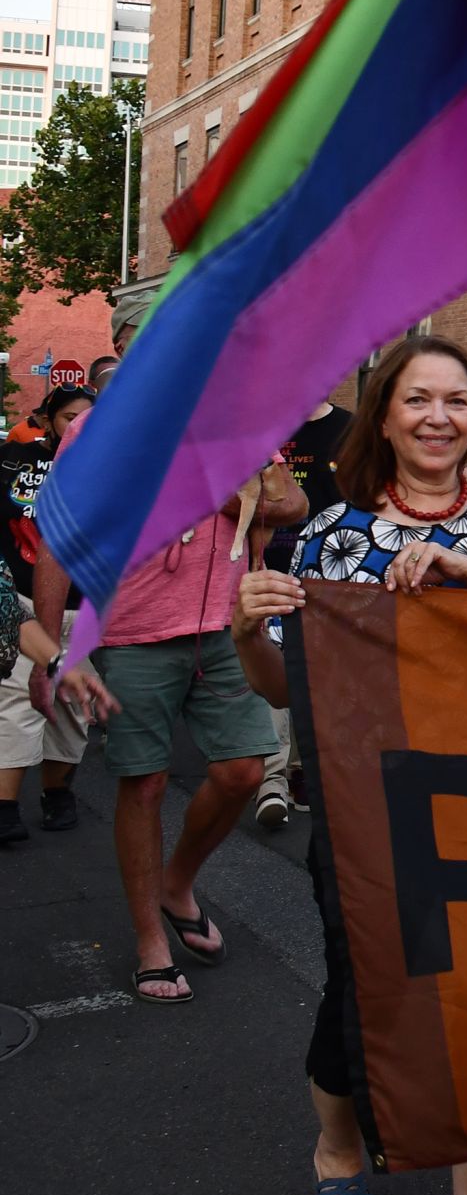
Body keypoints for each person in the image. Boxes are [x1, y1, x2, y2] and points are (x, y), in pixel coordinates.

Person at [230, 334, 467, 1195]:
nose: (438, 417)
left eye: (458, 400)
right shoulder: (335, 533)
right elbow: (277, 689)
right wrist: (244, 628)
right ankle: (338, 1145)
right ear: (383, 414)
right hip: (370, 811)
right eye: (417, 399)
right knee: (369, 994)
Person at [30, 403, 304, 1003]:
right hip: (132, 629)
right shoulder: (97, 427)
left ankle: (175, 883)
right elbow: (58, 535)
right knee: (145, 783)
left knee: (244, 770)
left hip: (226, 626)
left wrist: (237, 498)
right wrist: (49, 651)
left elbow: (293, 505)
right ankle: (151, 941)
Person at [0, 384, 102, 840]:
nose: (78, 428)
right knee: (17, 701)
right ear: (47, 419)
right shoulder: (11, 461)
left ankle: (57, 793)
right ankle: (4, 807)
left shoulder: (109, 469)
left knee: (72, 706)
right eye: (68, 418)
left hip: (84, 608)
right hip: (19, 600)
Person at [256, 398, 356, 828]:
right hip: (269, 565)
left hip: (330, 572)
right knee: (276, 673)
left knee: (315, 677)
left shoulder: (349, 428)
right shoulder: (263, 422)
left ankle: (300, 771)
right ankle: (271, 779)